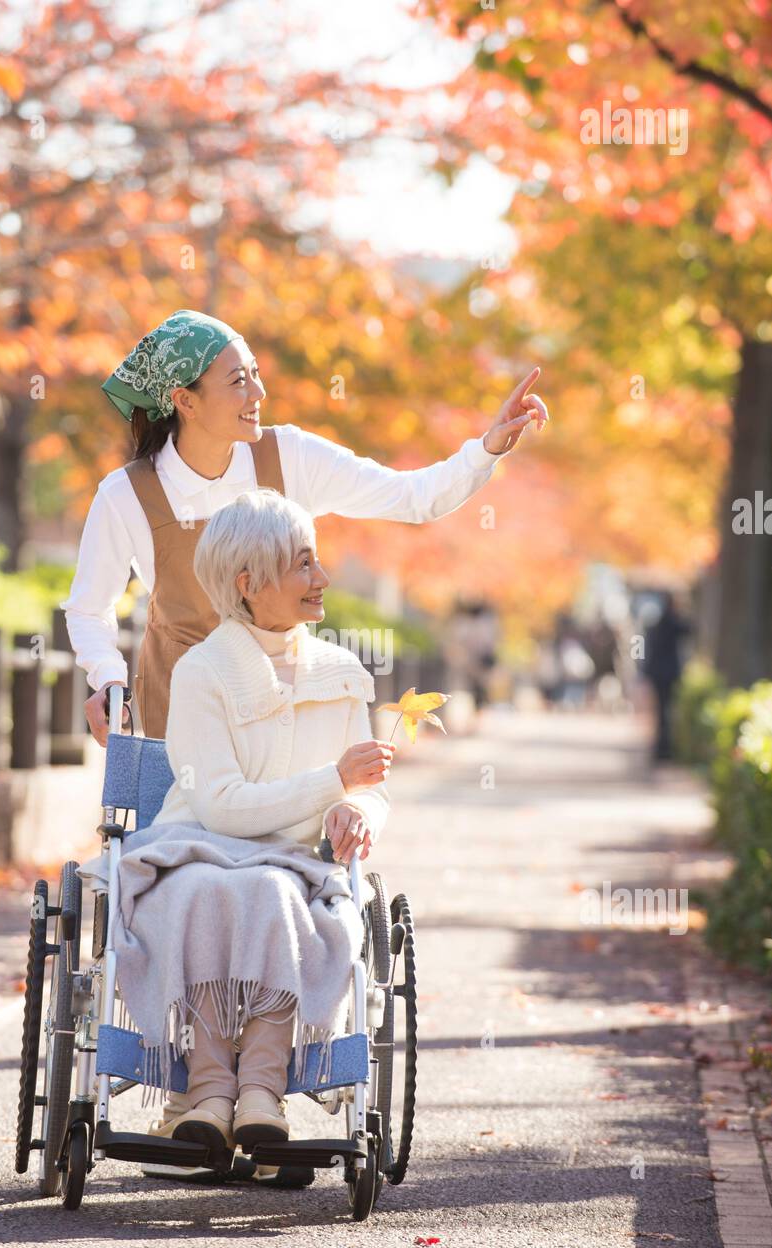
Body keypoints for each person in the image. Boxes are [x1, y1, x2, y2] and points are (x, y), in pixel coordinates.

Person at [60, 308, 549, 743]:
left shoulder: (289, 456)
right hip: (183, 715)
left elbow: (412, 498)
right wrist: (108, 678)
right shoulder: (127, 494)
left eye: (255, 374)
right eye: (238, 381)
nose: (259, 392)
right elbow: (89, 609)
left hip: (285, 707)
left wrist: (487, 447)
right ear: (185, 401)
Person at [115, 489, 394, 1170]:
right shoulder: (203, 672)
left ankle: (260, 1094)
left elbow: (370, 793)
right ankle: (208, 1095)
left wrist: (358, 811)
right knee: (206, 891)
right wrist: (332, 781)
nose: (321, 580)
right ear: (248, 581)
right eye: (303, 565)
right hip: (196, 849)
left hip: (293, 862)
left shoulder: (340, 674)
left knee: (272, 891)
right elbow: (220, 808)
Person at [642, 593, 692, 761]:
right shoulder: (670, 621)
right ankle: (664, 749)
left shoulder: (657, 622)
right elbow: (689, 629)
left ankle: (662, 748)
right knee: (665, 712)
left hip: (658, 673)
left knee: (662, 712)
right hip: (667, 674)